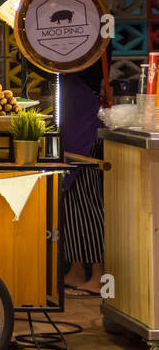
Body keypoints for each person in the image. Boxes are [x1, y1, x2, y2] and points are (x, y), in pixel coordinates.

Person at [60, 50, 110, 296]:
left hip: (86, 131)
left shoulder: (93, 42)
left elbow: (79, 68)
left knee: (87, 203)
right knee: (71, 204)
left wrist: (24, 58)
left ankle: (100, 274)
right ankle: (77, 269)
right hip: (71, 127)